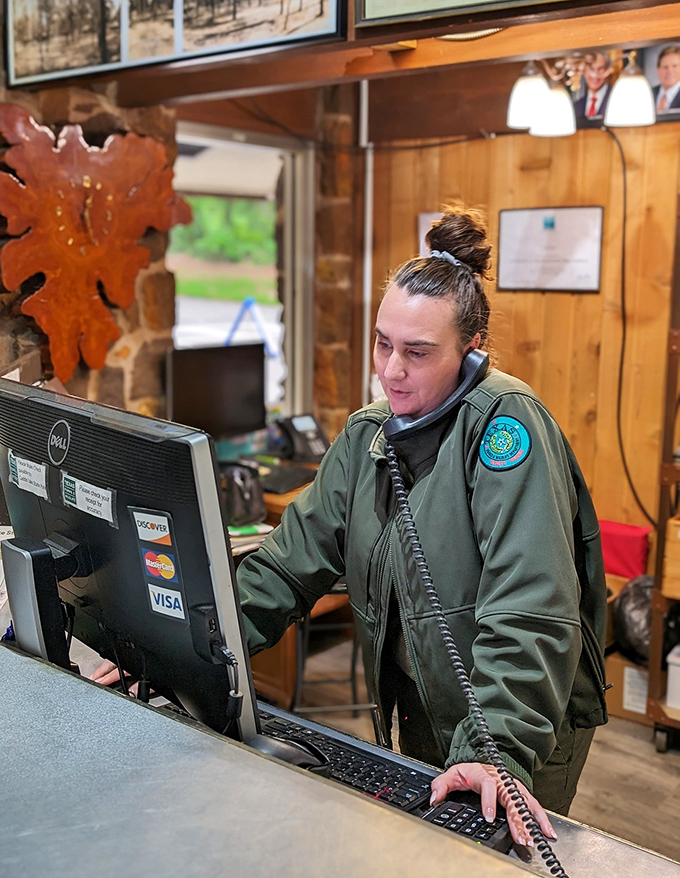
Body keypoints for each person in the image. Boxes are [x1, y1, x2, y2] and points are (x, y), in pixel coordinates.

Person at [235, 205, 608, 846]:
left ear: (472, 350)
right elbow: (287, 561)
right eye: (383, 342)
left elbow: (532, 607)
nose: (390, 369)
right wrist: (196, 643)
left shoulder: (505, 430)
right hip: (424, 706)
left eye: (417, 352)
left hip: (521, 718)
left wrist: (498, 747)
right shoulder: (367, 436)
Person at [573, 52, 612, 119]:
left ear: (607, 71)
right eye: (591, 68)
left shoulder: (617, 101)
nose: (595, 74)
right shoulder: (576, 106)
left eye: (600, 69)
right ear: (584, 71)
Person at [653, 45, 680, 112]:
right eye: (665, 67)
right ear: (658, 70)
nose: (669, 71)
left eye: (674, 66)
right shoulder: (647, 94)